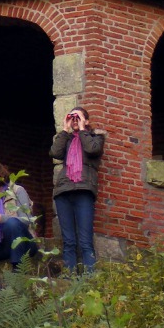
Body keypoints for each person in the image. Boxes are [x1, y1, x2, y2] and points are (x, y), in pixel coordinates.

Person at [50, 106, 106, 274]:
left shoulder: (96, 138)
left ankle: (89, 279)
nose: (75, 120)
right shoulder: (65, 139)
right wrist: (65, 129)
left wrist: (82, 129)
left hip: (84, 190)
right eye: (72, 117)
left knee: (85, 240)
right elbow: (55, 152)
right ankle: (69, 278)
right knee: (68, 240)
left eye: (78, 117)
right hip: (64, 191)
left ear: (87, 121)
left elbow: (92, 149)